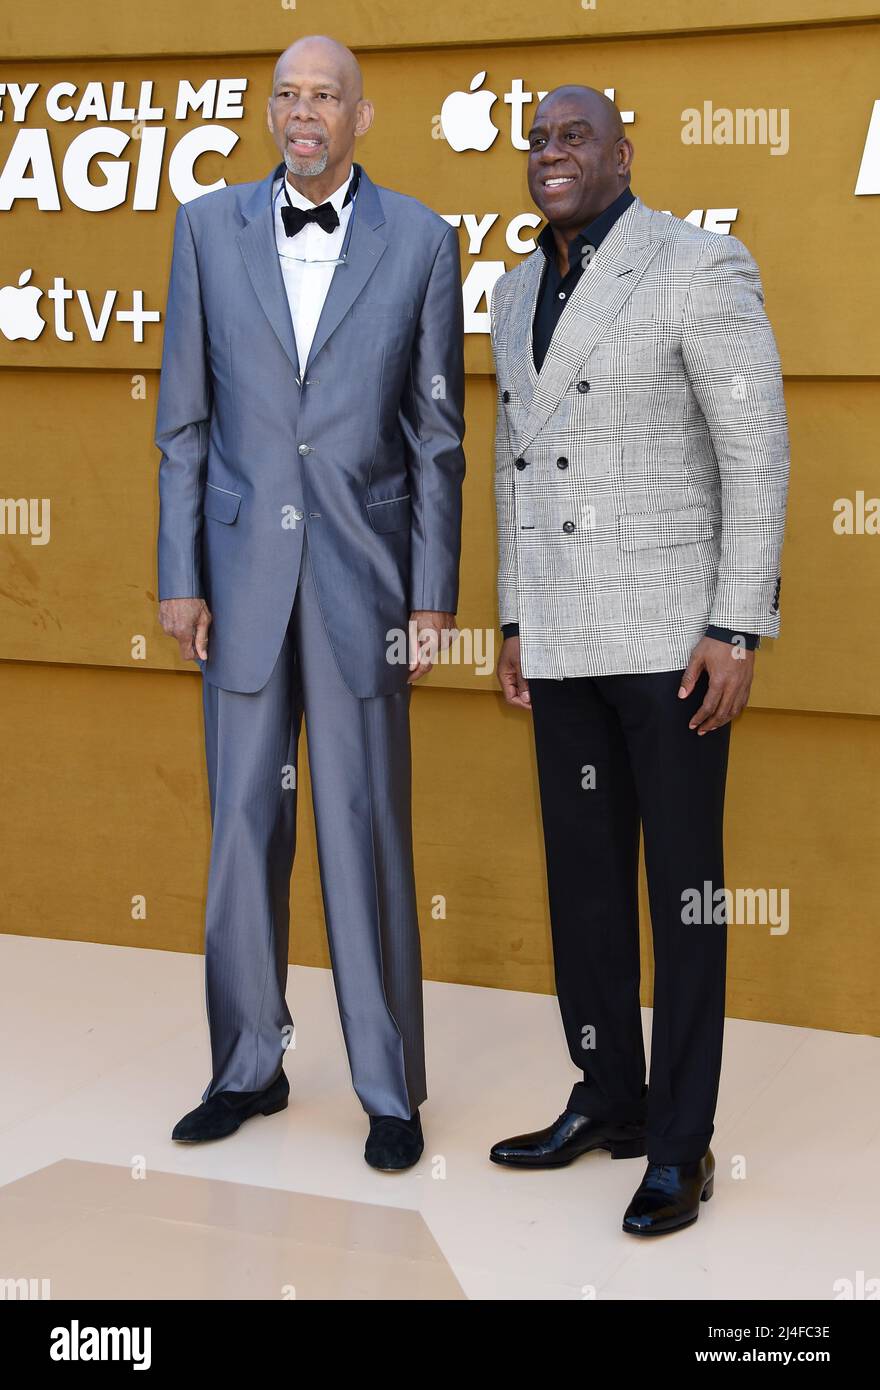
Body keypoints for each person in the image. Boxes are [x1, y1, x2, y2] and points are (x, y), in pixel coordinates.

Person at [156, 35, 465, 1170]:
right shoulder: (203, 231)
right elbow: (183, 419)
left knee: (364, 828)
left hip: (362, 581)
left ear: (359, 117)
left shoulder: (423, 241)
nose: (303, 112)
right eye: (286, 95)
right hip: (235, 583)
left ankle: (388, 1087)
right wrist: (179, 573)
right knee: (241, 826)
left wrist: (432, 595)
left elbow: (438, 440)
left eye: (324, 96)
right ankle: (248, 1065)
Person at [489, 85, 788, 1234]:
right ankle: (608, 1094)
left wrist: (736, 625)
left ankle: (680, 1141)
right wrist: (514, 619)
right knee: (584, 892)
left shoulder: (697, 264)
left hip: (672, 641)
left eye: (572, 136)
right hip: (562, 640)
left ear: (620, 153)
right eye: (536, 140)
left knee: (683, 894)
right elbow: (518, 474)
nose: (548, 153)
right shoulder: (518, 288)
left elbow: (755, 451)